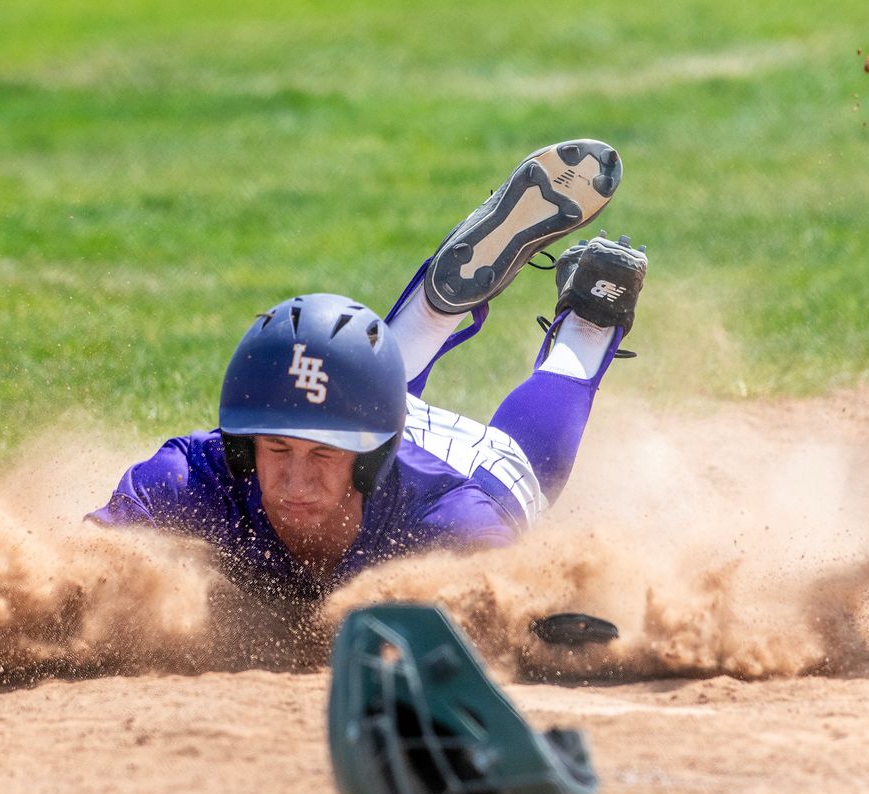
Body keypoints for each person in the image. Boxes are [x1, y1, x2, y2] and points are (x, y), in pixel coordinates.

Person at [88, 139, 647, 607]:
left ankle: (590, 323)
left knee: (529, 468)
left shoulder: (454, 521)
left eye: (323, 457)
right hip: (355, 411)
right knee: (338, 398)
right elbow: (77, 566)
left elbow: (518, 607)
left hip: (465, 462)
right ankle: (430, 312)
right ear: (240, 445)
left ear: (373, 454)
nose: (295, 484)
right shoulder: (191, 478)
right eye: (276, 449)